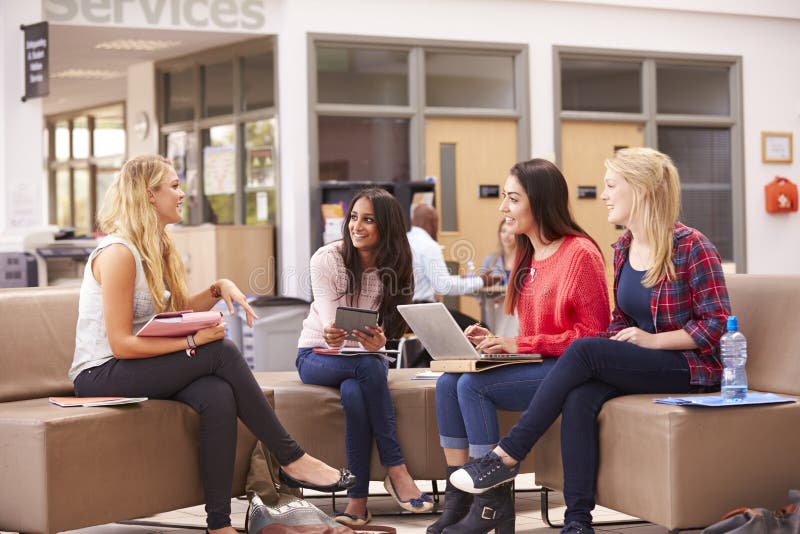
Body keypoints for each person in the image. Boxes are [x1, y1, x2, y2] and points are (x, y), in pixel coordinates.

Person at [449, 147, 731, 534]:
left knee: (585, 350)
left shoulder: (691, 246)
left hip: (690, 367)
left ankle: (508, 454)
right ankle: (577, 520)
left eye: (611, 185)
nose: (603, 195)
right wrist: (623, 342)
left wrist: (651, 341)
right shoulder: (624, 248)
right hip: (643, 362)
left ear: (641, 190)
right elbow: (621, 321)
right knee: (579, 397)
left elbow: (715, 324)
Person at [69, 155, 355, 534]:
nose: (182, 192)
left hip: (131, 366)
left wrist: (220, 289)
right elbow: (121, 344)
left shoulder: (156, 247)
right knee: (220, 353)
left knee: (217, 393)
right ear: (150, 195)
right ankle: (292, 457)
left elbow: (172, 311)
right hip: (100, 372)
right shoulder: (119, 253)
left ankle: (218, 524)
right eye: (173, 185)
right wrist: (193, 340)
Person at [428, 158, 610, 534]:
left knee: (473, 385)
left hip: (570, 371)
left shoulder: (581, 254)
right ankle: (460, 501)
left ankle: (491, 506)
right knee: (449, 381)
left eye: (512, 199)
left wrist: (519, 343)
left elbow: (595, 337)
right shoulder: (528, 255)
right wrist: (495, 344)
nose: (503, 208)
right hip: (541, 361)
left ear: (539, 203)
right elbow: (532, 336)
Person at [296, 188, 433, 526]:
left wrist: (381, 342)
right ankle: (396, 468)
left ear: (387, 227)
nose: (357, 226)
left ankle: (356, 499)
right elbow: (332, 325)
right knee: (368, 366)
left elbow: (391, 334)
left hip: (364, 363)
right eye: (354, 217)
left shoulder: (397, 267)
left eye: (369, 220)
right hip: (316, 355)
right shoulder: (327, 259)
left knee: (356, 391)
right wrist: (335, 334)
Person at [406, 204, 503, 331]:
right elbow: (444, 286)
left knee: (442, 341)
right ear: (433, 222)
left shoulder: (405, 240)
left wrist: (461, 278)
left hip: (404, 311)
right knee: (480, 330)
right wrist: (481, 281)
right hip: (423, 310)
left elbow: (432, 280)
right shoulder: (429, 245)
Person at [480, 219, 517, 285]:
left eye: (511, 232)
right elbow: (481, 289)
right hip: (494, 295)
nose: (506, 236)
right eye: (503, 231)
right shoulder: (489, 260)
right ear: (499, 233)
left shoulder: (525, 260)